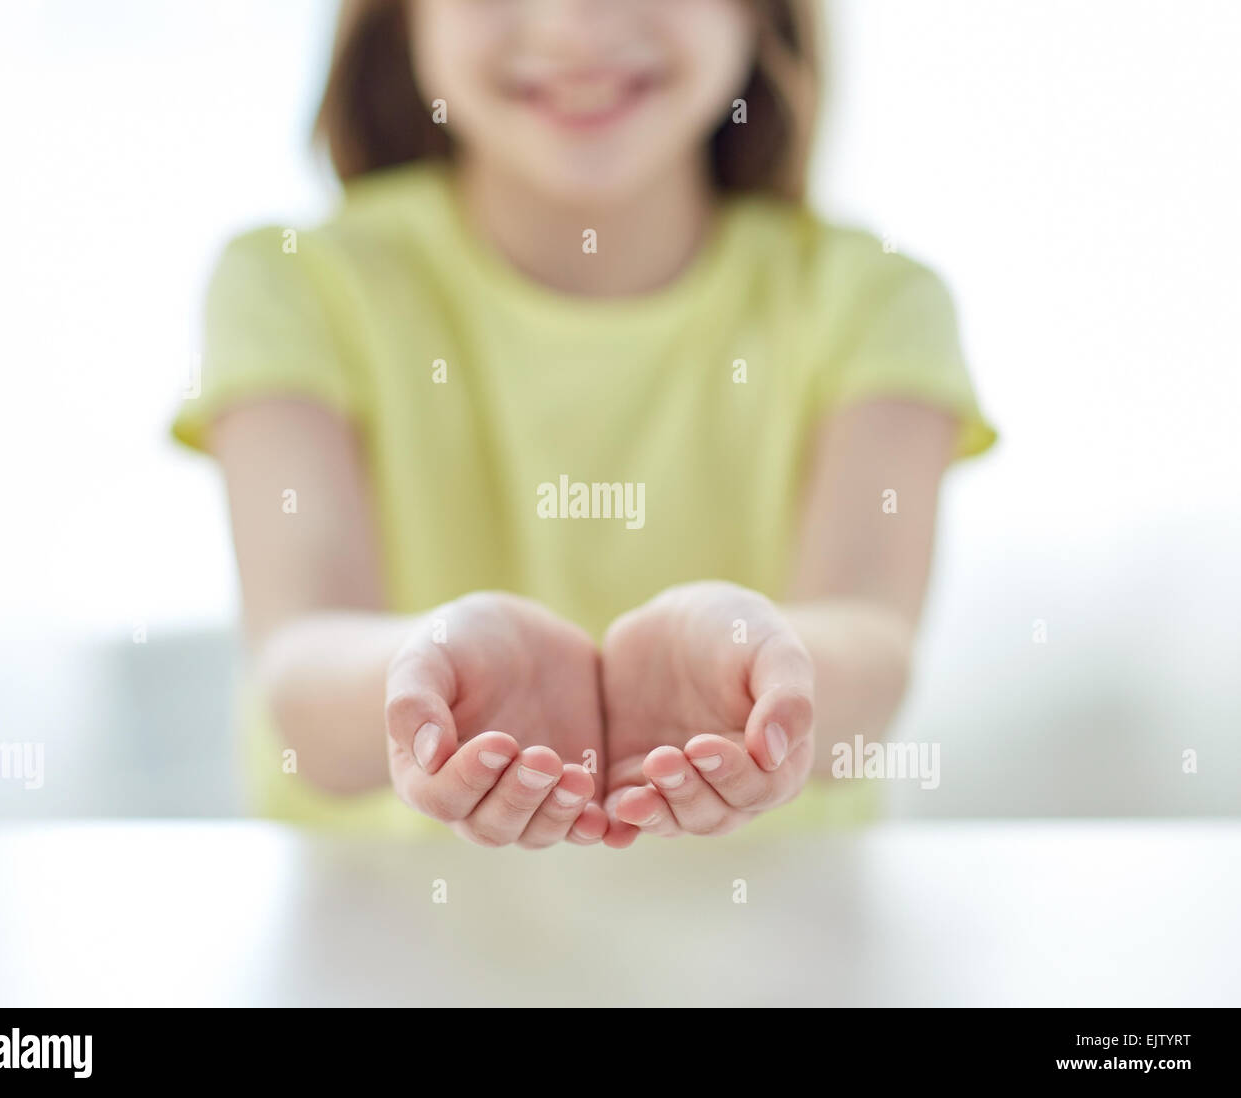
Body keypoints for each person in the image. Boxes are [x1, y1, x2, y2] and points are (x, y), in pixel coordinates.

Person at [172, 0, 996, 848]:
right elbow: (299, 662)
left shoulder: (872, 301)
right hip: (394, 953)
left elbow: (872, 638)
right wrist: (430, 677)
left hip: (768, 949)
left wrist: (759, 666)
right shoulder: (295, 288)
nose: (574, 27)